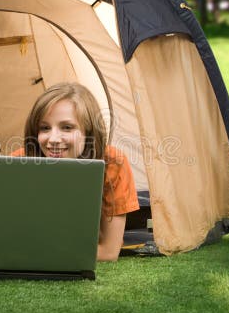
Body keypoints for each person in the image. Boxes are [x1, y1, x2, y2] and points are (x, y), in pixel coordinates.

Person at [11, 83, 138, 261]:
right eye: (45, 128)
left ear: (88, 131)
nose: (53, 139)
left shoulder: (113, 163)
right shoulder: (19, 162)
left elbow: (108, 252)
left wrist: (35, 252)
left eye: (67, 127)